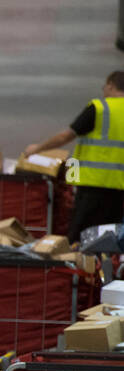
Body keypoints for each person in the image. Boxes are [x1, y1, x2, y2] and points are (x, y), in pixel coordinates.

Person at [24, 71, 124, 242]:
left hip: (92, 185)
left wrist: (36, 149)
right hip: (120, 188)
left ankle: (79, 268)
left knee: (79, 239)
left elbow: (67, 136)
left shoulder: (100, 108)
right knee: (111, 239)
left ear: (110, 85)